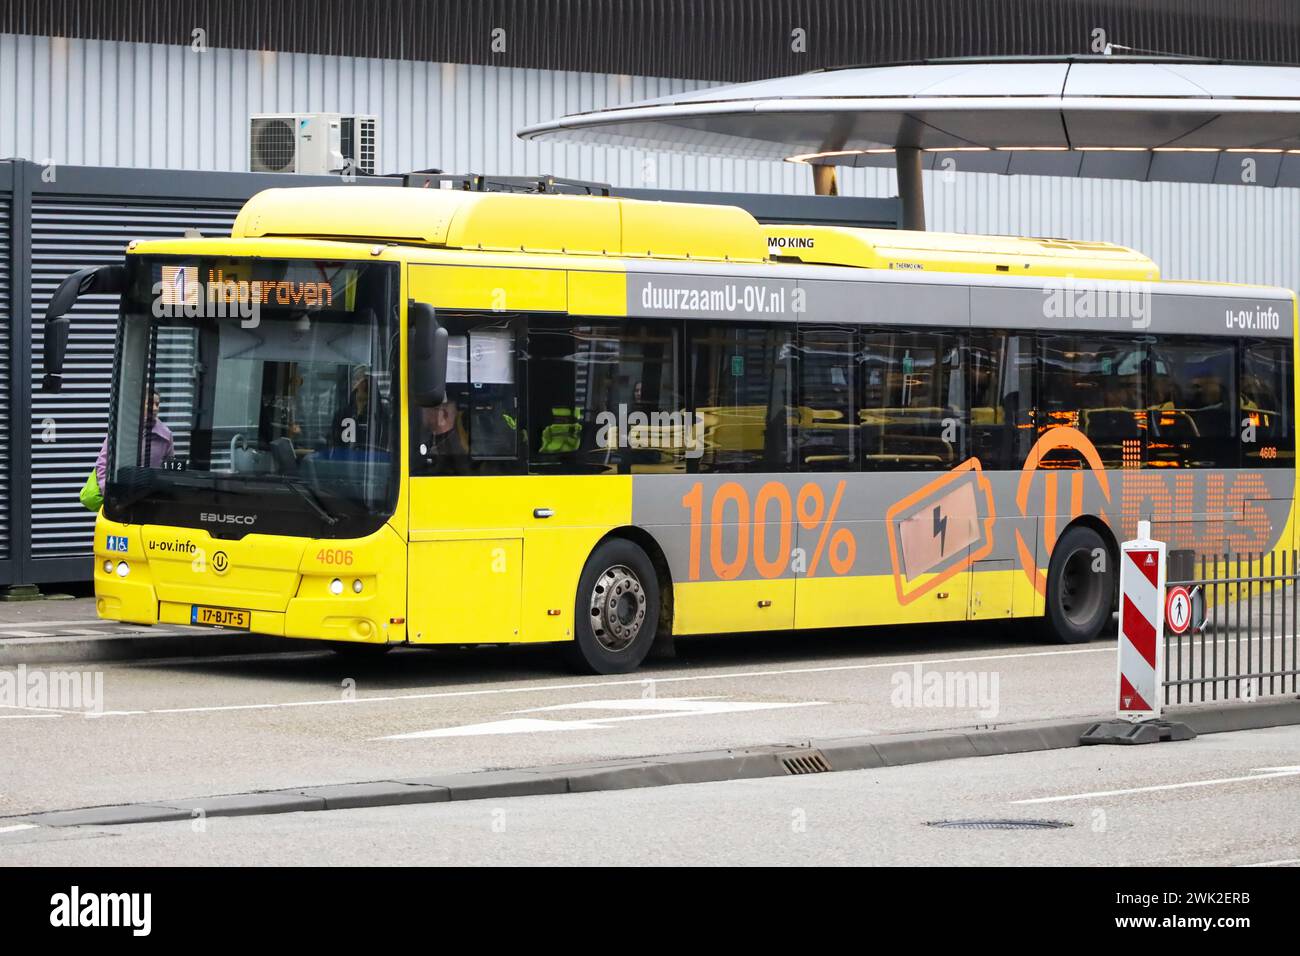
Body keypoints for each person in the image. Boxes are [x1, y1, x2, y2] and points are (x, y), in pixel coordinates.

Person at [95, 389, 174, 489]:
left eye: (157, 404)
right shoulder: (121, 429)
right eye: (149, 403)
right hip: (122, 494)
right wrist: (107, 491)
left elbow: (170, 471)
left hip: (150, 495)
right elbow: (103, 464)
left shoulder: (166, 436)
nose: (155, 408)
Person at [331, 364, 390, 451]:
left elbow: (387, 445)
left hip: (375, 460)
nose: (363, 386)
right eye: (359, 381)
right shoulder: (342, 414)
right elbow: (333, 443)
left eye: (367, 383)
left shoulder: (382, 416)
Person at [417, 400, 470, 475]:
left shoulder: (453, 451)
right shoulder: (434, 439)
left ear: (443, 415)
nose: (423, 412)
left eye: (428, 409)